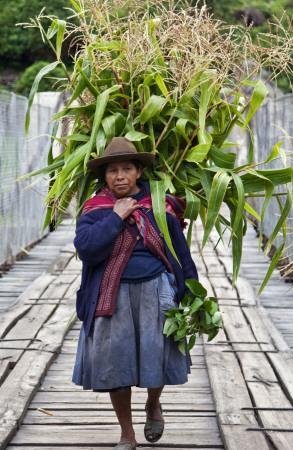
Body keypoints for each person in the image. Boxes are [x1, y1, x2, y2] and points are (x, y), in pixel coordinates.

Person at [71, 137, 199, 450]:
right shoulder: (96, 210)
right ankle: (127, 434)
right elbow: (86, 250)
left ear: (138, 171)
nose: (119, 176)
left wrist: (193, 294)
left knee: (158, 360)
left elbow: (180, 253)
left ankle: (153, 403)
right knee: (117, 367)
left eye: (126, 168)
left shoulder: (159, 205)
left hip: (156, 292)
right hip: (111, 297)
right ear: (104, 176)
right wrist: (116, 216)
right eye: (112, 170)